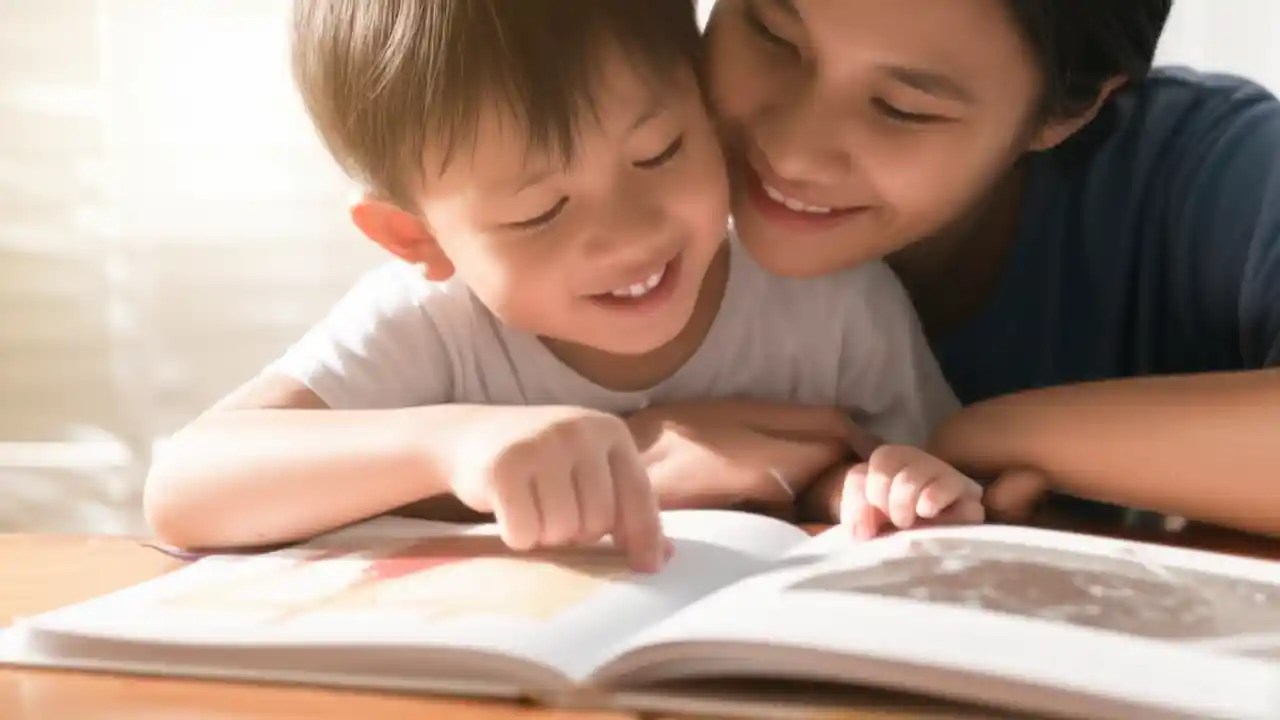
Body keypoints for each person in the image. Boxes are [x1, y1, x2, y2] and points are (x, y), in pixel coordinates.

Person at [143, 0, 980, 571]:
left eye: (660, 153)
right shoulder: (432, 325)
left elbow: (949, 480)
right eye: (540, 211)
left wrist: (877, 487)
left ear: (709, 107)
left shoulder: (832, 301)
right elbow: (186, 488)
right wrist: (456, 447)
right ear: (418, 237)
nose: (629, 232)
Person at [672, 0, 1280, 535]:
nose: (793, 152)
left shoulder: (1206, 176)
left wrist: (983, 437)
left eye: (902, 107)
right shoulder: (609, 135)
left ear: (1065, 113)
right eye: (772, 34)